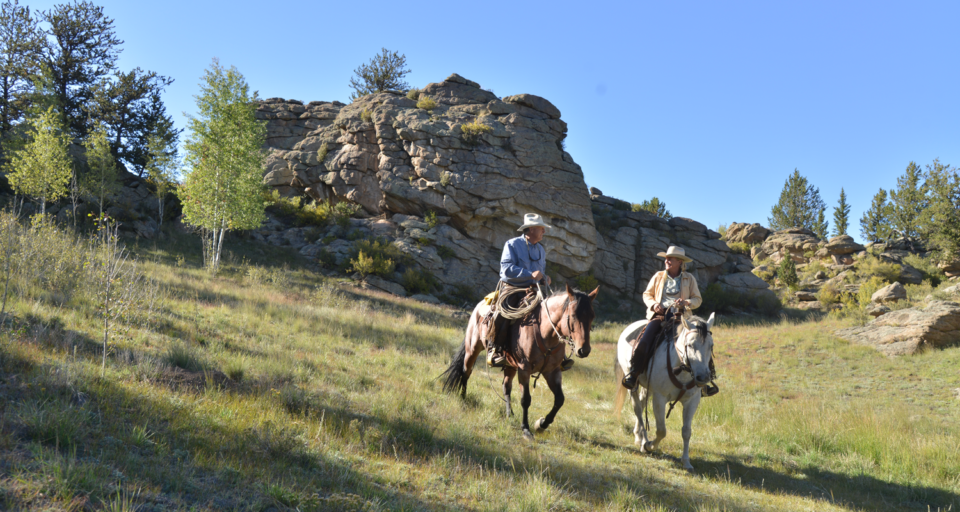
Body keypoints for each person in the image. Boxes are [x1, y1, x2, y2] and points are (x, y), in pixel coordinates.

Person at [621, 246, 707, 390]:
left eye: (670, 259)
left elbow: (698, 299)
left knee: (701, 341)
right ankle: (634, 374)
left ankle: (705, 382)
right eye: (666, 258)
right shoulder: (658, 276)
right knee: (645, 340)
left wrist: (686, 302)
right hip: (660, 316)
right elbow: (647, 294)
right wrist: (654, 305)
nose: (666, 261)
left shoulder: (689, 278)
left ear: (679, 262)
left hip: (681, 317)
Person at [488, 213, 554, 368]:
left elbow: (539, 273)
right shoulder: (512, 244)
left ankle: (556, 355)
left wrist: (544, 278)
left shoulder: (541, 250)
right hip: (512, 288)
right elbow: (506, 269)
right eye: (541, 228)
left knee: (554, 313)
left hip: (533, 291)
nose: (544, 231)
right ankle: (494, 350)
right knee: (502, 314)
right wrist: (529, 274)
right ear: (531, 229)